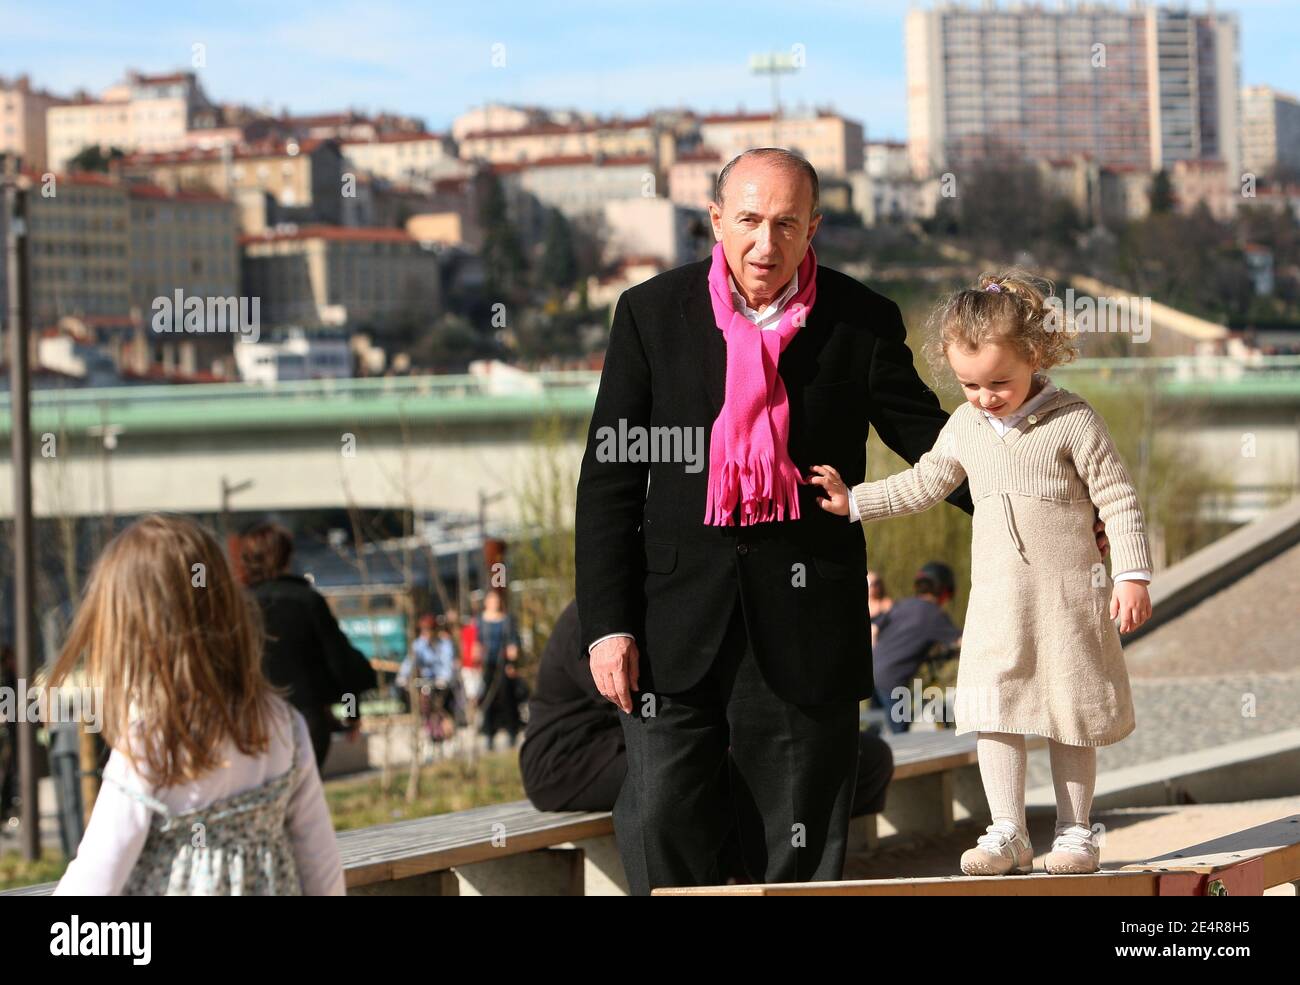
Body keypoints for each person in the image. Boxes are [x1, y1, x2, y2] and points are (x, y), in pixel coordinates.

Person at [574, 148, 1105, 895]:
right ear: (716, 221)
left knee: (800, 841)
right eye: (750, 221)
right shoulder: (650, 314)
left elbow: (939, 448)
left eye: (787, 224)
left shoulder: (859, 320)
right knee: (662, 820)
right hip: (672, 623)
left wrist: (1066, 511)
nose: (766, 243)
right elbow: (609, 480)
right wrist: (607, 624)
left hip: (805, 617)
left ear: (813, 226)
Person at [812, 267, 1151, 877]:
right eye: (969, 384)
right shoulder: (965, 426)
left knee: (1069, 713)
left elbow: (1119, 500)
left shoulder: (1074, 421)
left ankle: (1076, 833)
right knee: (996, 712)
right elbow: (924, 482)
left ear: (1036, 355)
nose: (985, 396)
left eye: (1000, 382)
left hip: (1072, 598)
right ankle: (1008, 833)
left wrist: (1131, 574)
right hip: (998, 602)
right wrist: (855, 501)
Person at [49, 514, 344, 895]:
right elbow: (320, 861)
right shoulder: (284, 724)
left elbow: (97, 877)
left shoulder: (151, 743)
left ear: (131, 635)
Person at [520, 600, 893, 884]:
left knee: (857, 757)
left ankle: (744, 871)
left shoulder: (675, 607)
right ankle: (732, 874)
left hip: (618, 743)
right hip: (569, 760)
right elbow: (635, 706)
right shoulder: (601, 616)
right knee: (694, 775)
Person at [240, 522, 377, 770]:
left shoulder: (236, 607)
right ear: (286, 557)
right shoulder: (307, 600)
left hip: (251, 724)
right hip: (306, 721)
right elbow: (341, 665)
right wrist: (352, 713)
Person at [870, 562, 963, 733]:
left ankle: (866, 757)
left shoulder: (902, 604)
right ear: (944, 590)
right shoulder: (934, 614)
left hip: (872, 671)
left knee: (874, 727)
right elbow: (961, 641)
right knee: (900, 733)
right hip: (892, 678)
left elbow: (879, 629)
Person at [474, 589, 523, 750]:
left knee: (506, 695)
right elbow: (478, 641)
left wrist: (512, 654)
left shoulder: (507, 619)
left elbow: (513, 640)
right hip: (488, 663)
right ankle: (488, 732)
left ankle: (511, 731)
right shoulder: (481, 620)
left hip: (503, 663)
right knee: (487, 697)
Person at [398, 614, 457, 742]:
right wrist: (403, 676)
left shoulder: (445, 644)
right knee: (425, 707)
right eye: (423, 630)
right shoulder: (418, 644)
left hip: (443, 684)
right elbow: (409, 662)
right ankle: (429, 733)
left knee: (444, 709)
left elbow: (447, 664)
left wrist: (444, 678)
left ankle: (449, 736)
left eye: (429, 629)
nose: (426, 633)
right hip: (426, 682)